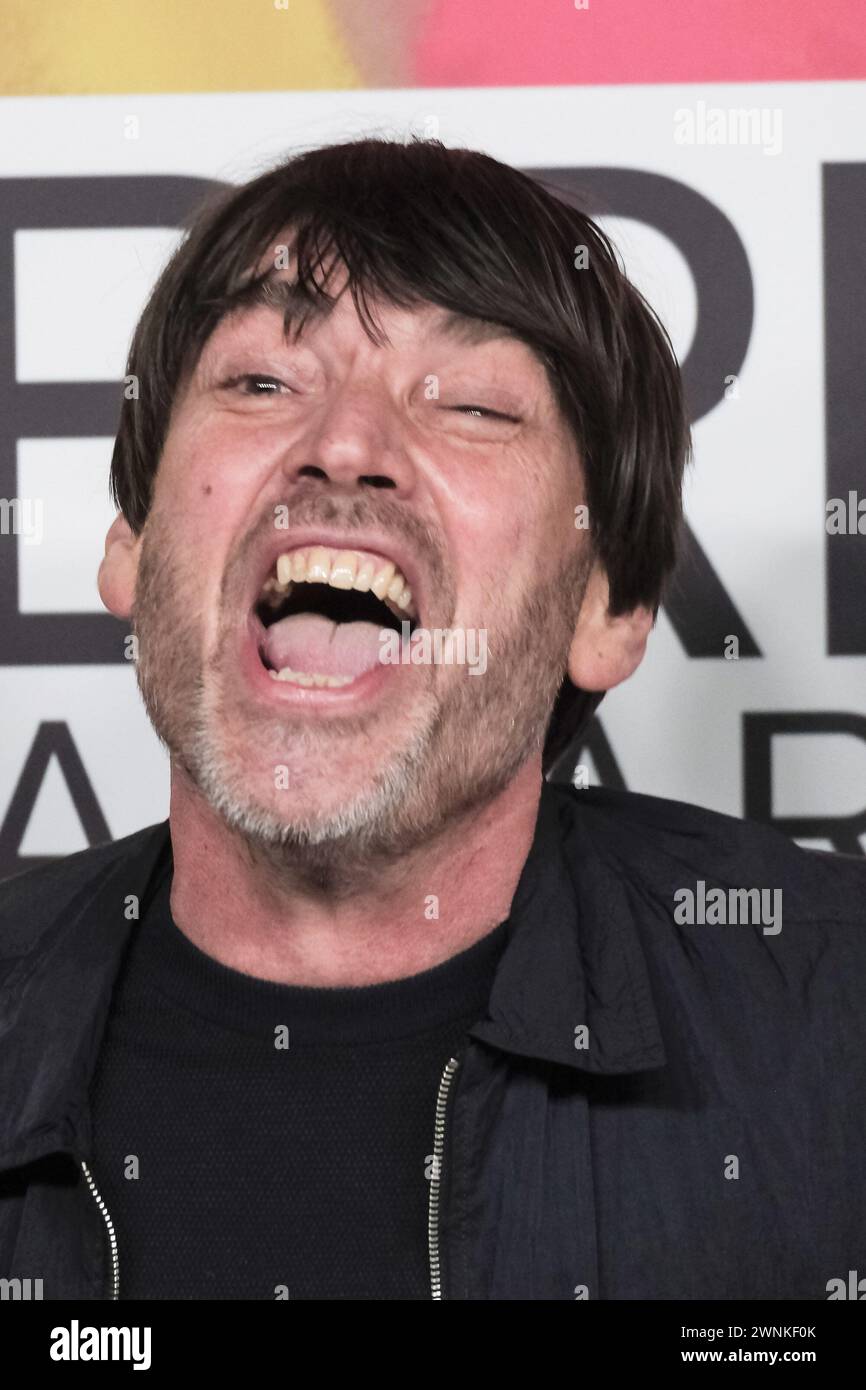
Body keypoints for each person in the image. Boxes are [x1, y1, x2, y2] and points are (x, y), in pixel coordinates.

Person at [1, 137, 865, 1302]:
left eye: (469, 404)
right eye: (262, 382)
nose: (345, 446)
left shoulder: (835, 1023)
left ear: (605, 611)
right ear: (134, 549)